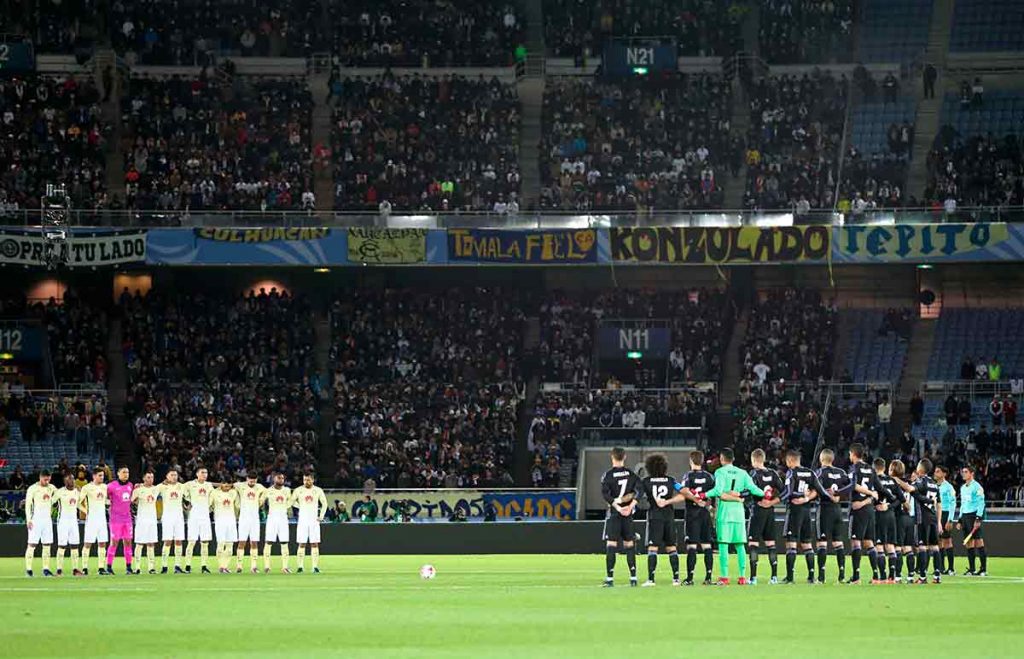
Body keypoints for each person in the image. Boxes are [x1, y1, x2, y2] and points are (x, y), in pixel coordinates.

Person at [699, 448, 764, 585]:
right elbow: (754, 490)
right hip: (739, 515)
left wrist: (704, 495)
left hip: (724, 514)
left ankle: (724, 577)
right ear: (733, 459)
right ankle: (742, 577)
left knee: (723, 546)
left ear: (722, 459)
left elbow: (718, 490)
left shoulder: (720, 472)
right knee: (740, 546)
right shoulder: (743, 473)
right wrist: (765, 493)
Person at [893, 458, 943, 583]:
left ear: (921, 468)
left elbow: (910, 489)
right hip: (933, 518)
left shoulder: (922, 481)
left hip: (923, 518)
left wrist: (896, 479)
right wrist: (939, 521)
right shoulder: (934, 483)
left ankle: (922, 576)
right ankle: (937, 576)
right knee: (935, 547)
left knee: (922, 547)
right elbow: (939, 504)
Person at [599, 447, 642, 587]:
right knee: (630, 544)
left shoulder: (608, 475)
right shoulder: (631, 474)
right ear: (624, 457)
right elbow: (639, 491)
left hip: (615, 514)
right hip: (628, 515)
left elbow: (606, 495)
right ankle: (633, 578)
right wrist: (630, 506)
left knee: (611, 545)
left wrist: (618, 507)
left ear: (612, 457)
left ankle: (610, 578)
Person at [780, 449, 822, 584]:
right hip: (807, 511)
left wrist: (777, 500)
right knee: (807, 545)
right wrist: (807, 498)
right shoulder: (810, 472)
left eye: (787, 461)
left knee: (791, 544)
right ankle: (811, 577)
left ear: (791, 460)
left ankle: (790, 578)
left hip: (794, 511)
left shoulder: (791, 472)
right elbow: (818, 490)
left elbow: (789, 491)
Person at [640, 453, 681, 586]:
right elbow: (683, 494)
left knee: (653, 548)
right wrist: (668, 501)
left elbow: (638, 495)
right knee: (671, 547)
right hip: (669, 516)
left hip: (654, 517)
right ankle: (676, 579)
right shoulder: (671, 480)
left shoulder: (646, 481)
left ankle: (651, 579)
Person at [676, 450, 716, 585]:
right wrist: (706, 503)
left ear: (691, 461)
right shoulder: (709, 477)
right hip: (704, 514)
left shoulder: (688, 476)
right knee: (707, 545)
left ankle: (690, 578)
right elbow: (713, 495)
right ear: (702, 461)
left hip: (692, 514)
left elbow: (684, 491)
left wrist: (695, 499)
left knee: (692, 546)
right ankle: (708, 577)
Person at [747, 448, 784, 585]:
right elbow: (785, 491)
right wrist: (772, 502)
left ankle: (753, 578)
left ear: (753, 460)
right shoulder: (773, 473)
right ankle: (774, 577)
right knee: (771, 544)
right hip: (770, 512)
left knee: (753, 544)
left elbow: (748, 491)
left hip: (758, 510)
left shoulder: (753, 474)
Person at [847, 443, 882, 584]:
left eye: (850, 454)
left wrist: (867, 495)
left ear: (853, 454)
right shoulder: (871, 469)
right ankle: (875, 576)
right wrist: (870, 498)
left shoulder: (854, 468)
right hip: (869, 509)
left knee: (856, 543)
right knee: (869, 542)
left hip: (858, 510)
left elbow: (853, 485)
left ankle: (856, 577)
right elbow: (879, 489)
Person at [815, 448, 850, 583]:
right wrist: (839, 496)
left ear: (821, 459)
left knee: (822, 543)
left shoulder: (820, 472)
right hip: (838, 510)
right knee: (838, 542)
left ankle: (821, 577)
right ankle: (841, 576)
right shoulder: (841, 472)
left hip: (825, 509)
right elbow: (850, 487)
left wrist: (827, 495)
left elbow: (815, 488)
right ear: (832, 459)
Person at [873, 458, 902, 583]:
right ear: (884, 468)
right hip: (891, 516)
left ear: (874, 468)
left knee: (879, 546)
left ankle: (883, 576)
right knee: (890, 546)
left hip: (879, 515)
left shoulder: (874, 480)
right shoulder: (892, 480)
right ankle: (892, 577)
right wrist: (889, 506)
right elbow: (900, 499)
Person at [291, 473, 327, 574]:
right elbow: (291, 501)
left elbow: (324, 503)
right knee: (301, 543)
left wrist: (321, 516)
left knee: (314, 543)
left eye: (308, 480)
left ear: (313, 480)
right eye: (304, 480)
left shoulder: (318, 490)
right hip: (302, 520)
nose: (306, 482)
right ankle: (300, 567)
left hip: (314, 521)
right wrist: (300, 506)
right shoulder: (298, 490)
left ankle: (315, 567)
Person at [955, 465, 987, 576]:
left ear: (972, 473)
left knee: (979, 542)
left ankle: (983, 569)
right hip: (965, 516)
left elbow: (981, 503)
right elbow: (963, 504)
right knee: (969, 543)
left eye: (965, 472)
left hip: (974, 516)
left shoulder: (977, 487)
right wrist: (959, 519)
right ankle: (972, 569)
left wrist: (978, 518)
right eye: (962, 472)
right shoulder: (963, 488)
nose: (963, 474)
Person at [889, 460, 918, 582]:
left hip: (899, 517)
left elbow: (896, 500)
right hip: (909, 518)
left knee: (898, 548)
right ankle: (911, 575)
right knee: (908, 548)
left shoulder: (892, 483)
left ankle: (898, 575)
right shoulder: (908, 483)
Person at [25, 470, 57, 577]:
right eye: (45, 479)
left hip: (47, 520)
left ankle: (46, 569)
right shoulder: (32, 488)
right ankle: (29, 569)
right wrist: (28, 519)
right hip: (36, 520)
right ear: (40, 477)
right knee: (32, 544)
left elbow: (60, 494)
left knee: (47, 544)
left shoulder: (51, 488)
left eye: (48, 479)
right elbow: (28, 504)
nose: (47, 481)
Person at [79, 467, 109, 575]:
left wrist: (111, 504)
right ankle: (84, 568)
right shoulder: (87, 488)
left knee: (102, 543)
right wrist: (86, 511)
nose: (102, 477)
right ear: (94, 476)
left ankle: (101, 568)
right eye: (100, 475)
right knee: (88, 543)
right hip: (91, 520)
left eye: (103, 475)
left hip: (102, 519)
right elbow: (79, 502)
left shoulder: (105, 487)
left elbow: (105, 501)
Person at [184, 467, 214, 573]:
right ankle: (187, 565)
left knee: (205, 542)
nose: (204, 474)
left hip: (205, 516)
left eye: (206, 472)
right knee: (191, 541)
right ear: (197, 474)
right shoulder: (189, 484)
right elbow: (179, 491)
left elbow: (212, 497)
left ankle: (204, 566)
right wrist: (186, 503)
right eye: (202, 472)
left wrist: (210, 508)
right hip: (194, 516)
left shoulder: (209, 485)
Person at [156, 469, 187, 573]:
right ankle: (164, 566)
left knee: (179, 541)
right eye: (172, 475)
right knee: (167, 541)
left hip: (179, 517)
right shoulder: (162, 486)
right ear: (167, 476)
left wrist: (187, 505)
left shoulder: (181, 486)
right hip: (168, 517)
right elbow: (151, 490)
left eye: (176, 475)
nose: (174, 477)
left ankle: (177, 566)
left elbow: (188, 497)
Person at [105, 467, 135, 575]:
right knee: (114, 542)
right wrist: (107, 502)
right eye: (123, 472)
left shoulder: (130, 485)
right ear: (118, 473)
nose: (126, 474)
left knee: (128, 542)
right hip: (115, 519)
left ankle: (129, 567)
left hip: (127, 519)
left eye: (127, 472)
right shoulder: (111, 486)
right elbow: (103, 496)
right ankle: (108, 567)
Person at [235, 475, 266, 573]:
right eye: (250, 480)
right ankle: (239, 566)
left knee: (254, 542)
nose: (252, 482)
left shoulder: (260, 487)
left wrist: (261, 500)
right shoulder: (240, 485)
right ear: (247, 479)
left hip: (255, 519)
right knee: (241, 542)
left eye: (254, 481)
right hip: (243, 519)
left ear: (256, 480)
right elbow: (227, 485)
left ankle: (254, 566)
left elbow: (267, 491)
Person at [263, 472, 292, 573]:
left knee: (284, 542)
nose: (280, 480)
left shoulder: (287, 490)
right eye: (278, 478)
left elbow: (290, 502)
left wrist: (287, 509)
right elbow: (262, 503)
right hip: (272, 518)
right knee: (269, 542)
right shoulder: (268, 491)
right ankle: (267, 566)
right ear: (274, 479)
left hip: (283, 518)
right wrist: (266, 513)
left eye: (282, 478)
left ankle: (285, 567)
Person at [131, 471, 160, 574]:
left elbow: (166, 483)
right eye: (148, 477)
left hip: (152, 520)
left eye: (152, 477)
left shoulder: (156, 489)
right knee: (139, 543)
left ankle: (151, 568)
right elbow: (132, 501)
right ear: (144, 478)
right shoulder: (138, 490)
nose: (150, 479)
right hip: (141, 520)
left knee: (151, 543)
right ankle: (137, 567)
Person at [55, 473, 82, 577]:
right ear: (65, 481)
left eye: (73, 478)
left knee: (75, 545)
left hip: (74, 521)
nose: (72, 480)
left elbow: (78, 504)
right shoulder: (60, 492)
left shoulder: (77, 492)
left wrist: (87, 512)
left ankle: (75, 569)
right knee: (62, 546)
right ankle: (59, 570)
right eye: (70, 479)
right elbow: (51, 502)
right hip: (63, 521)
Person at [212, 482, 239, 574]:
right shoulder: (215, 493)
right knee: (220, 544)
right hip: (220, 521)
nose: (227, 487)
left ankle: (225, 566)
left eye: (229, 485)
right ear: (221, 484)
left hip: (231, 521)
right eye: (225, 485)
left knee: (230, 545)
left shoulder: (233, 493)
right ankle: (220, 566)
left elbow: (239, 485)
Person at [935, 465, 957, 575]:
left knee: (947, 541)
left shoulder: (949, 487)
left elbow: (953, 503)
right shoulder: (933, 486)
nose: (935, 473)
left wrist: (950, 519)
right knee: (938, 542)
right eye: (935, 471)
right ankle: (941, 567)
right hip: (936, 514)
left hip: (945, 514)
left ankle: (951, 568)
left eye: (938, 471)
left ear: (944, 474)